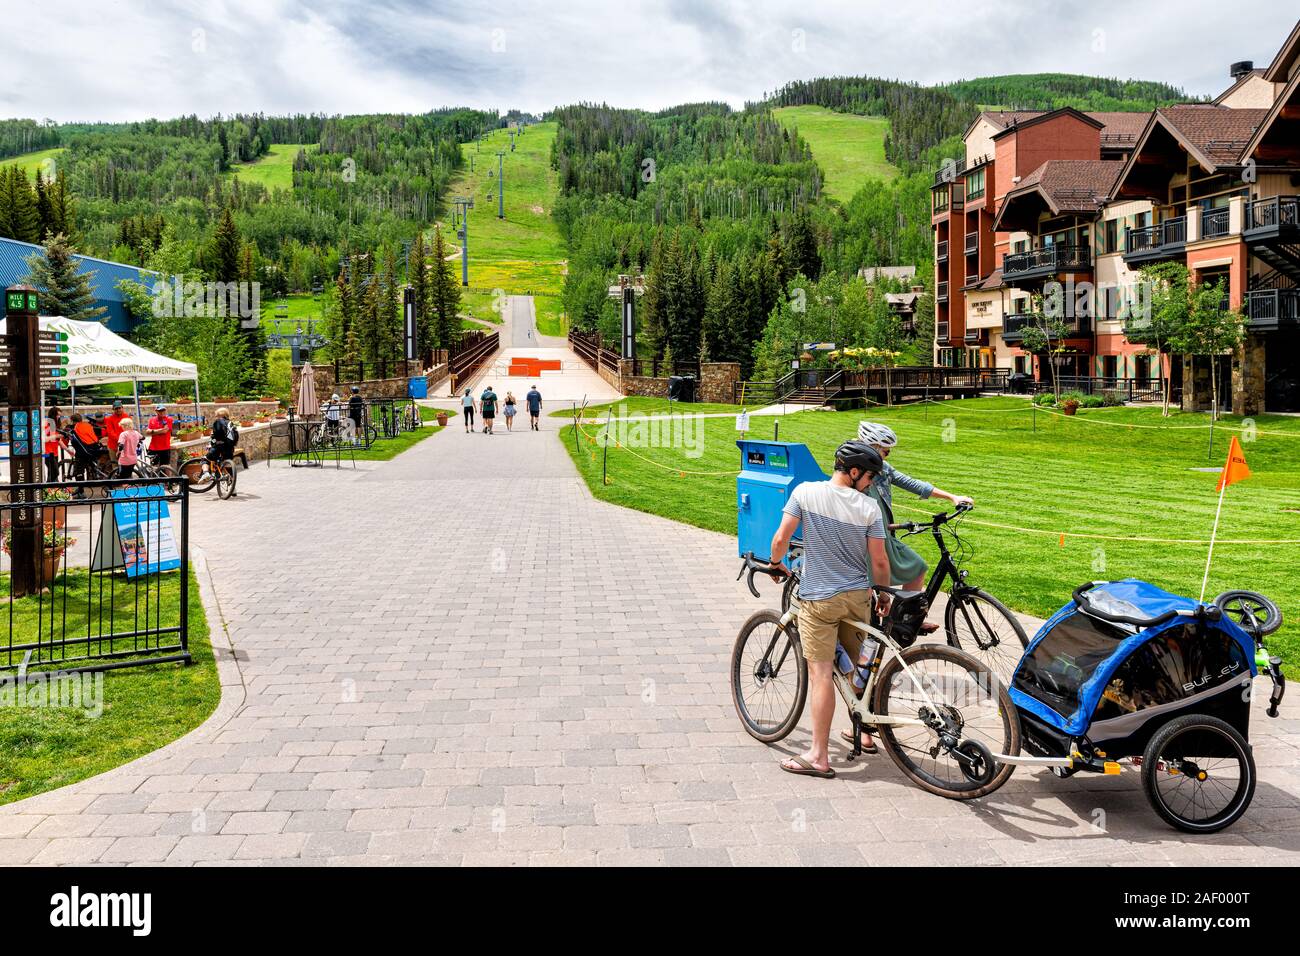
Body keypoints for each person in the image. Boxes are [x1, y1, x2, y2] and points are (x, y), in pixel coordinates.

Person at [766, 441, 893, 778]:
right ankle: (863, 731)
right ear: (853, 472)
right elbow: (879, 560)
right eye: (869, 476)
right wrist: (882, 593)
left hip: (818, 599)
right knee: (858, 670)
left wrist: (776, 563)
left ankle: (819, 756)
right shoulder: (869, 508)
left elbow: (781, 539)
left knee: (822, 674)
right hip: (856, 597)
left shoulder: (805, 493)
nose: (870, 483)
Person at [856, 421, 974, 595]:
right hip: (866, 539)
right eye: (885, 451)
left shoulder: (883, 468)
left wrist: (952, 497)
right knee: (867, 588)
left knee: (917, 568)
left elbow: (911, 483)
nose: (887, 456)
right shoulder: (853, 472)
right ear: (872, 447)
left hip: (885, 535)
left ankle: (904, 619)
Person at [208, 407, 237, 484]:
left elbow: (216, 435)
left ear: (219, 415)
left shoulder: (218, 422)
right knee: (227, 463)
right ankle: (232, 485)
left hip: (220, 446)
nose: (216, 417)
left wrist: (212, 443)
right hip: (230, 447)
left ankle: (206, 474)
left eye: (216, 415)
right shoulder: (231, 423)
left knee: (206, 458)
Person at [146, 404, 174, 469]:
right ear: (156, 411)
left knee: (166, 467)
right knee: (153, 468)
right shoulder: (152, 420)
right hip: (153, 448)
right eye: (160, 410)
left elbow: (165, 431)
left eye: (163, 410)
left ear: (165, 410)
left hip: (165, 447)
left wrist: (152, 431)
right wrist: (160, 430)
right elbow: (147, 432)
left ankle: (168, 479)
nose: (162, 412)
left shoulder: (169, 419)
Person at [42, 406, 66, 483]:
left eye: (60, 415)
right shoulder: (47, 424)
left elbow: (58, 440)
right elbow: (44, 439)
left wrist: (68, 450)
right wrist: (56, 436)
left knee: (52, 473)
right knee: (55, 472)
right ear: (53, 415)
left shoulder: (54, 425)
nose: (59, 417)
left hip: (54, 452)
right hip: (47, 452)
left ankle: (50, 489)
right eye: (57, 415)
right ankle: (49, 488)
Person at [103, 400, 128, 467]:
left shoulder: (127, 417)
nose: (118, 410)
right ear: (113, 409)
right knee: (115, 465)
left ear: (122, 408)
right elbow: (110, 432)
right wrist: (120, 440)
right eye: (116, 408)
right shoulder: (110, 419)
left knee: (126, 464)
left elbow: (130, 429)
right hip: (113, 445)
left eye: (119, 408)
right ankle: (115, 477)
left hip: (125, 445)